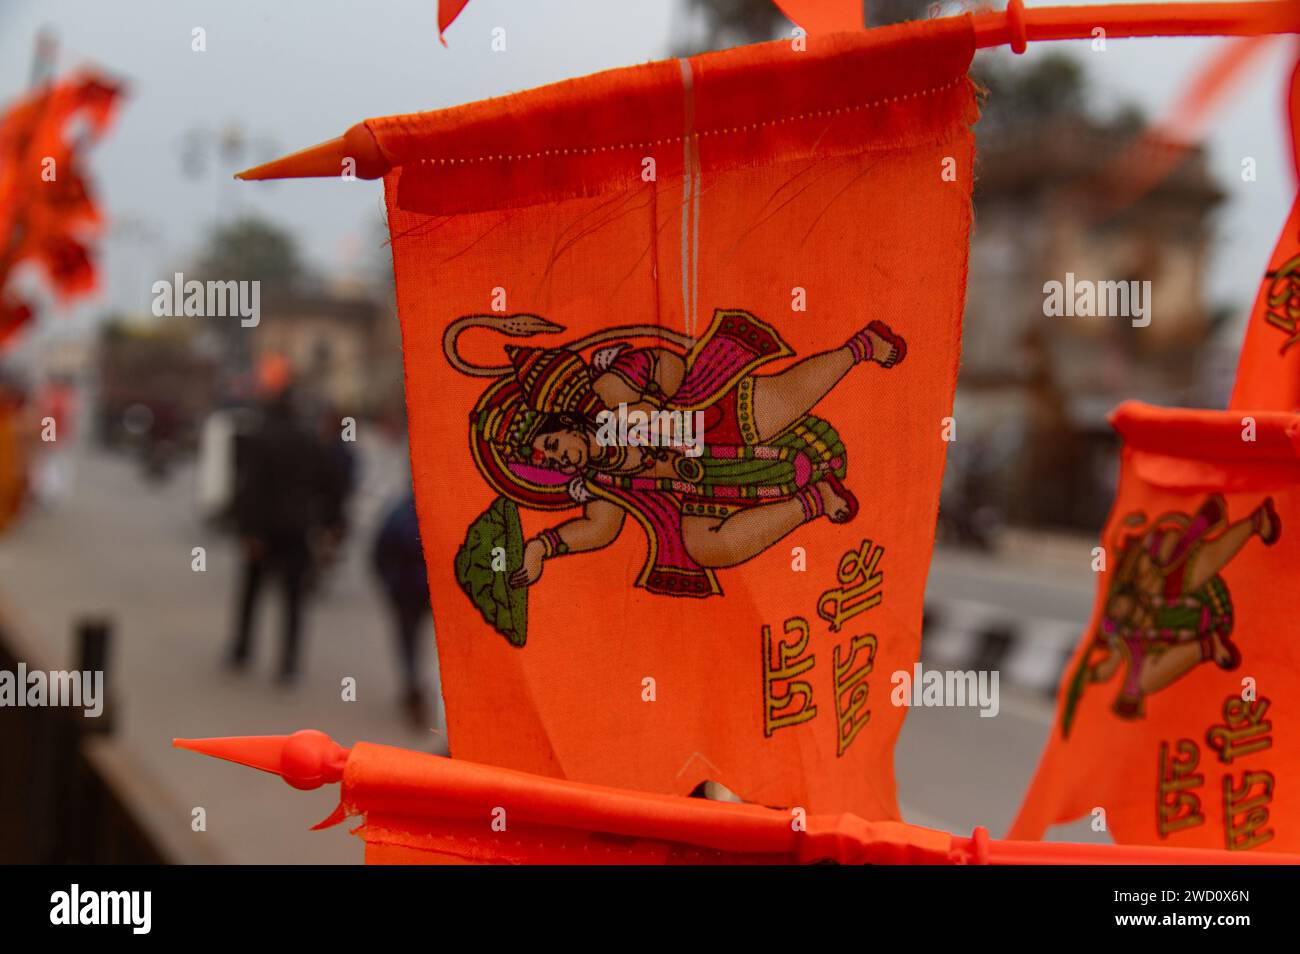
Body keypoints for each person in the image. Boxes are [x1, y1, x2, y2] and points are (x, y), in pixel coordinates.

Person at [226, 387, 339, 683]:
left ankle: (242, 650)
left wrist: (247, 530)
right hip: (298, 530)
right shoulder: (311, 441)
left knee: (252, 593)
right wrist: (330, 525)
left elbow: (249, 488)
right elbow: (331, 484)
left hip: (263, 531)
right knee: (294, 600)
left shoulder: (261, 439)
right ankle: (288, 665)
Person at [372, 492, 432, 727]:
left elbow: (379, 552)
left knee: (408, 641)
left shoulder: (399, 512)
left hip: (406, 591)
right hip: (418, 592)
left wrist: (389, 583)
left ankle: (414, 684)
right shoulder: (408, 514)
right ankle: (417, 687)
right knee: (415, 641)